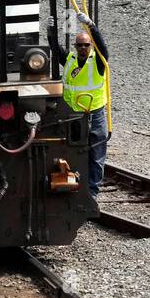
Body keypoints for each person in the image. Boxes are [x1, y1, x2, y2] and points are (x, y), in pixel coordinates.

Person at [49, 11, 110, 196]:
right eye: (80, 45)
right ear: (75, 47)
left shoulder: (98, 62)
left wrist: (91, 26)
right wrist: (50, 31)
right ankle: (75, 185)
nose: (83, 48)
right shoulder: (70, 60)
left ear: (91, 46)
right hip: (73, 115)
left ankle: (92, 192)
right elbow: (55, 49)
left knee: (97, 154)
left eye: (86, 45)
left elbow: (103, 49)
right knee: (74, 152)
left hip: (95, 113)